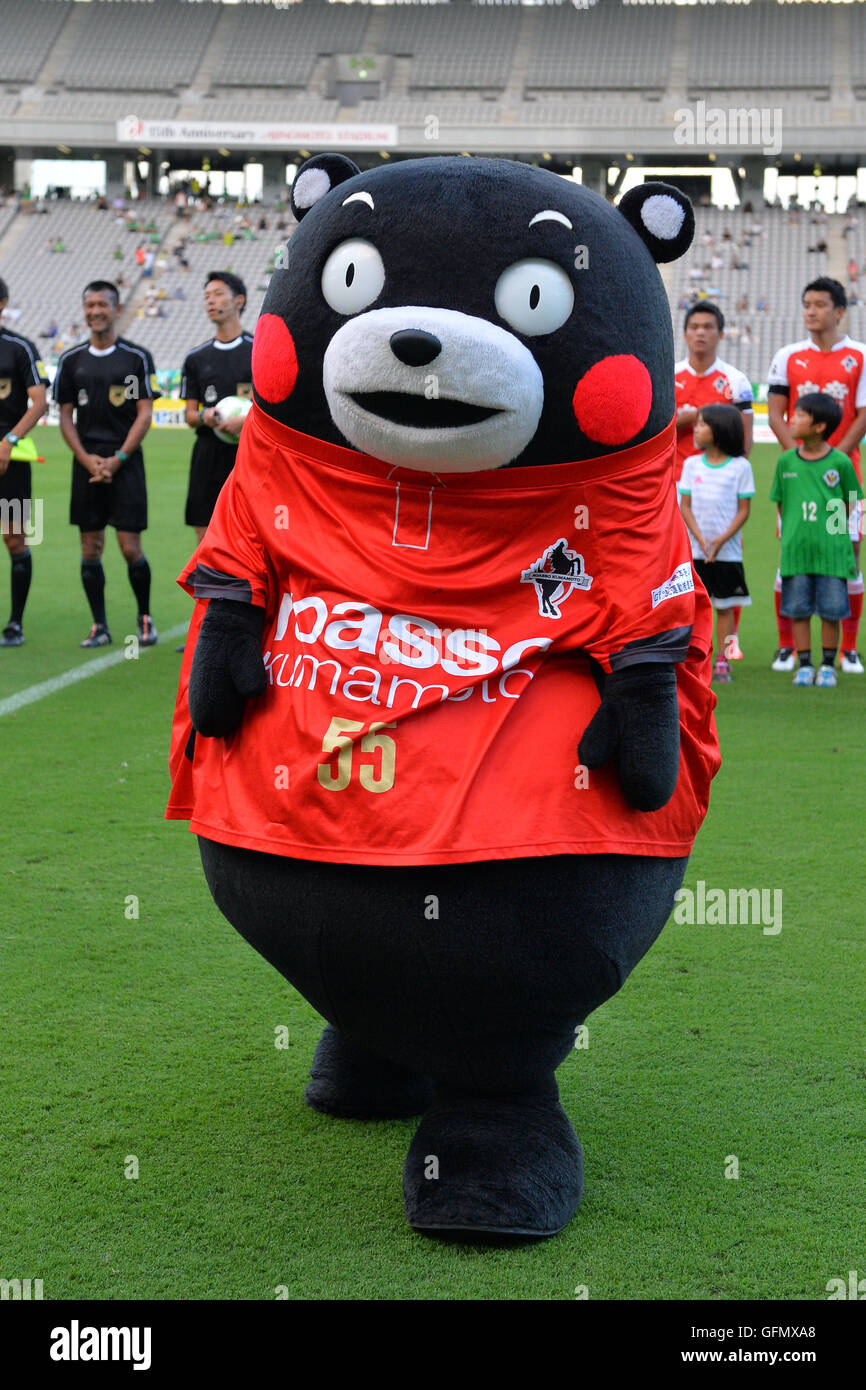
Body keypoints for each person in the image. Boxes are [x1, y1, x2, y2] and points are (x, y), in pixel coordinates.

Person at [767, 277, 866, 672]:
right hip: (797, 483)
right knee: (791, 556)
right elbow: (776, 414)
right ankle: (788, 646)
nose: (811, 310)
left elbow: (863, 416)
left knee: (847, 557)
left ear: (839, 311)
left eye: (820, 304)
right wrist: (800, 458)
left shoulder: (859, 356)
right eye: (807, 303)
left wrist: (829, 461)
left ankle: (849, 648)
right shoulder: (787, 356)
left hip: (844, 483)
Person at [53, 280, 158, 648]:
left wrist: (119, 459)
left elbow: (144, 414)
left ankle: (144, 619)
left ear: (116, 309)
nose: (95, 311)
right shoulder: (71, 360)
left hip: (125, 462)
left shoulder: (136, 358)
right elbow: (65, 416)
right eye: (90, 305)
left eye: (102, 304)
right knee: (90, 548)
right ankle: (100, 626)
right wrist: (86, 459)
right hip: (86, 464)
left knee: (130, 547)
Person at [178, 272, 253, 651]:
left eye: (218, 294)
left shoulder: (259, 350)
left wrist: (249, 419)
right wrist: (207, 417)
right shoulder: (196, 358)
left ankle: (254, 624)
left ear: (239, 300)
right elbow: (189, 413)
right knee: (207, 540)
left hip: (250, 460)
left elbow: (277, 404)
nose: (210, 301)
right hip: (208, 456)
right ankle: (205, 626)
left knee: (254, 542)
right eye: (206, 295)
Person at [674, 302, 754, 659]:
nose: (701, 332)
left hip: (720, 494)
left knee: (724, 570)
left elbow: (744, 444)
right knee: (679, 570)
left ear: (721, 333)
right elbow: (653, 432)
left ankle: (725, 652)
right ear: (686, 332)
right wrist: (685, 419)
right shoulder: (668, 376)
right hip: (674, 489)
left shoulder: (734, 382)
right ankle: (686, 647)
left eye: (709, 326)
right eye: (694, 326)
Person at [769, 392, 863, 688]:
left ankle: (827, 666)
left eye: (798, 415)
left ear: (819, 426)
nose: (791, 420)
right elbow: (781, 502)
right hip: (797, 552)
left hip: (831, 553)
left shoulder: (840, 462)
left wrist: (835, 537)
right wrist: (795, 532)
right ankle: (805, 664)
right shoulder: (786, 462)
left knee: (830, 611)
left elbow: (850, 501)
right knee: (798, 610)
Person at [678, 405, 754, 684]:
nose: (695, 429)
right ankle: (696, 657)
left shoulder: (741, 467)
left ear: (720, 430)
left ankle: (725, 657)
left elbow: (743, 510)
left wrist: (721, 541)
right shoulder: (690, 464)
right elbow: (684, 505)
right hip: (696, 550)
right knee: (694, 606)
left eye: (701, 424)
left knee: (726, 607)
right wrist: (698, 537)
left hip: (727, 552)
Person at [0, 277, 49, 646]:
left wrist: (10, 440)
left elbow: (40, 402)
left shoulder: (20, 349)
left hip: (10, 462)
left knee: (15, 540)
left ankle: (15, 623)